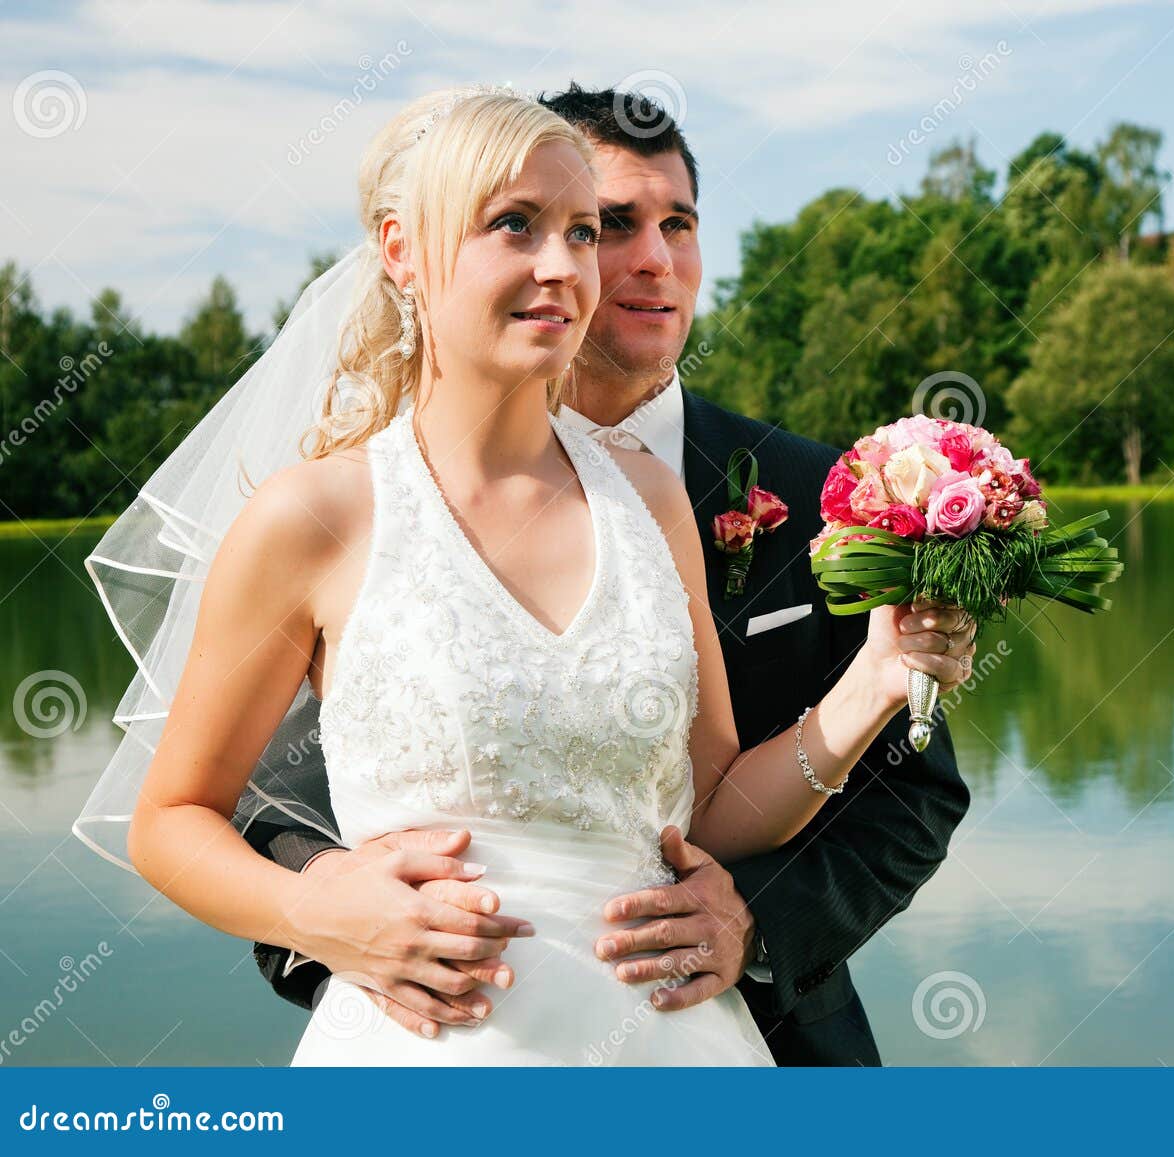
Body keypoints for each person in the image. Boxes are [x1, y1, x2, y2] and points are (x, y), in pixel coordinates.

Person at [80, 86, 973, 1066]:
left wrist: (874, 679)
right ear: (401, 251)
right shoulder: (313, 517)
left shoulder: (652, 497)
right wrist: (313, 905)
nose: (566, 266)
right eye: (517, 225)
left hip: (684, 1049)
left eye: (578, 231)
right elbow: (177, 817)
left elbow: (711, 807)